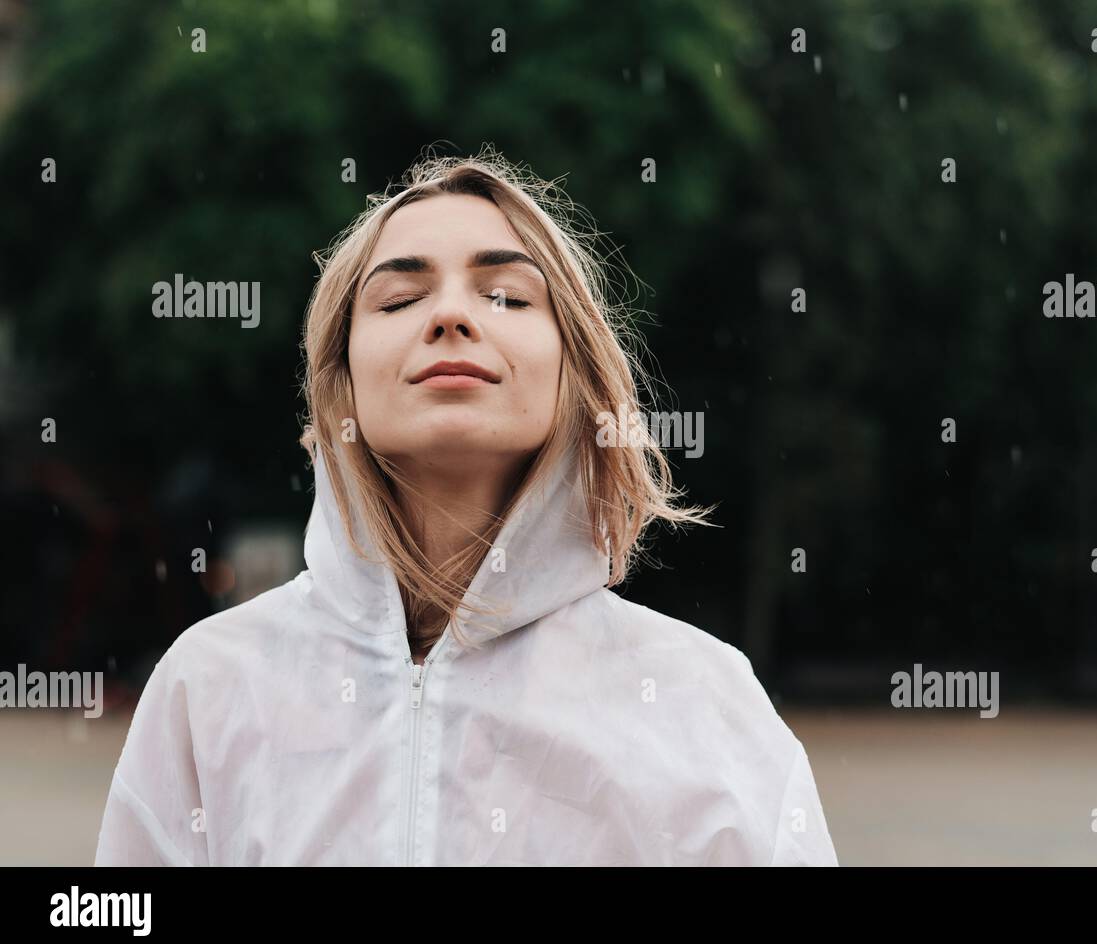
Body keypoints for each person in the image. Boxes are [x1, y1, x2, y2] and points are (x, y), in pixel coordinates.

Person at [93, 147, 838, 866]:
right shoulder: (209, 685)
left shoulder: (703, 701)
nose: (451, 315)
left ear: (571, 371)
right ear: (342, 381)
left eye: (508, 295)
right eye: (401, 298)